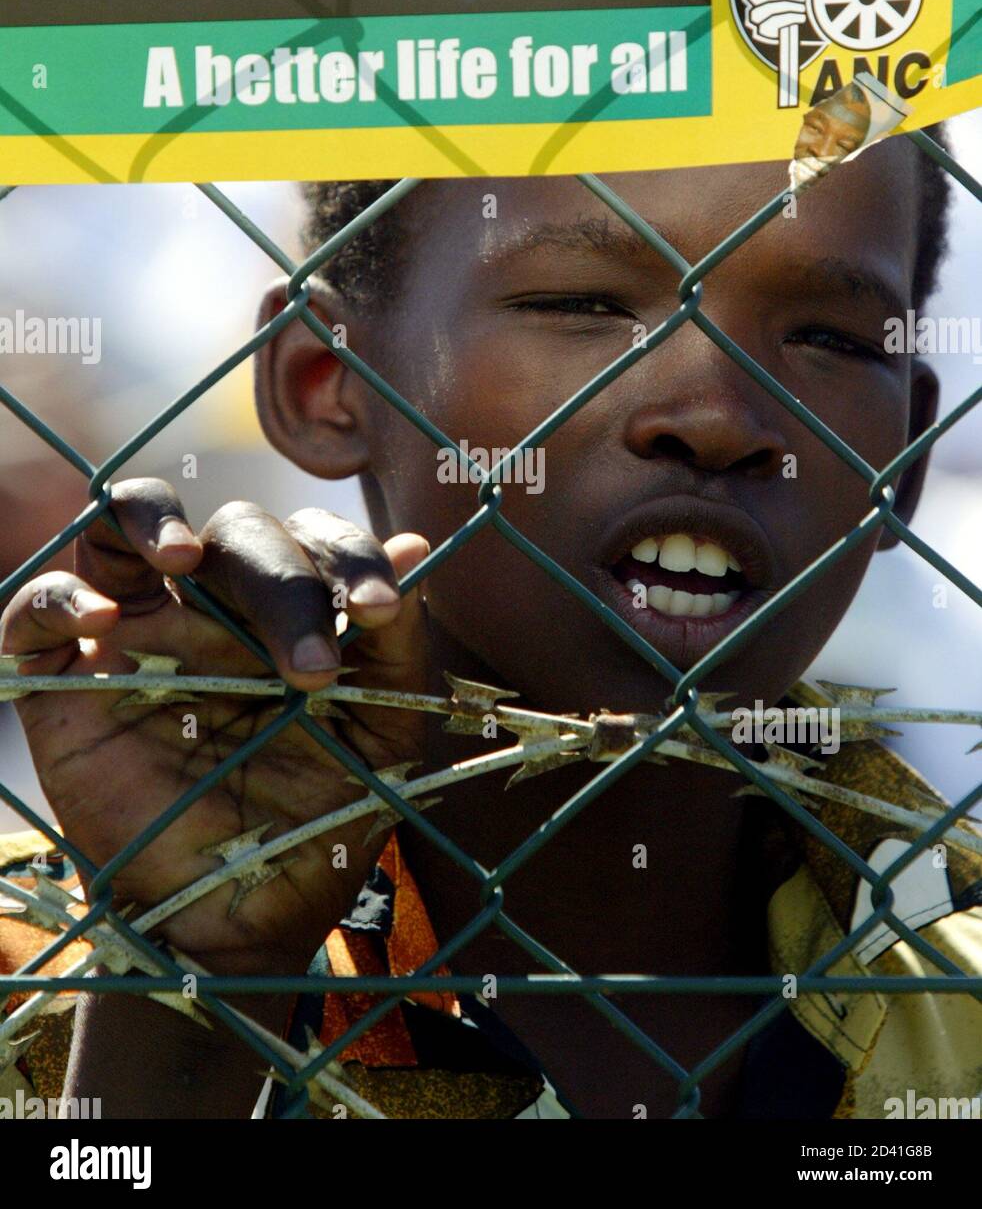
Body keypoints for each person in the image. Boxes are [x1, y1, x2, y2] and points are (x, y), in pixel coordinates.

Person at [1, 130, 980, 1120]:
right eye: (582, 304)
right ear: (323, 379)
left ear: (902, 454)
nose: (719, 417)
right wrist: (184, 995)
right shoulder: (33, 969)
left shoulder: (959, 980)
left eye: (830, 338)